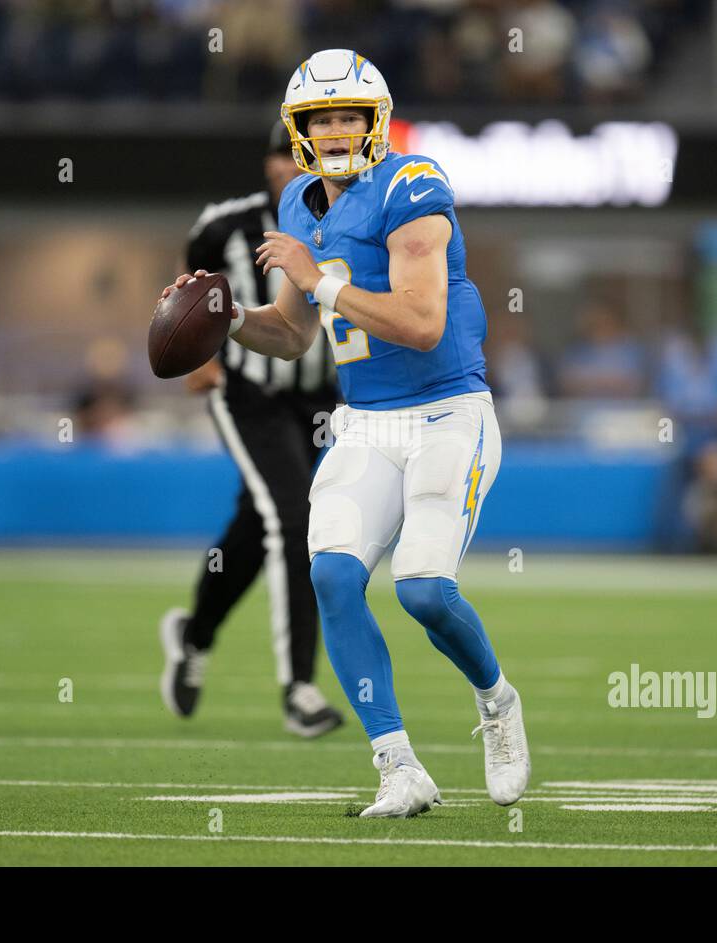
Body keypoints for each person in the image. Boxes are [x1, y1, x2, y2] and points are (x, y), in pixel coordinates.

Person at [159, 48, 530, 818]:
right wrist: (226, 319)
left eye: (346, 118)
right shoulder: (299, 203)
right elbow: (293, 336)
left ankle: (496, 702)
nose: (333, 132)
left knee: (424, 591)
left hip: (447, 413)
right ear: (299, 130)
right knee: (331, 575)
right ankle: (397, 765)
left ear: (375, 122)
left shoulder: (413, 184)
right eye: (319, 119)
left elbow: (424, 324)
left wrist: (321, 277)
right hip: (363, 421)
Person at [159, 120, 345, 739]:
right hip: (247, 391)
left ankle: (195, 632)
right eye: (287, 153)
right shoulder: (227, 225)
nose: (298, 163)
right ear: (270, 164)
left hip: (320, 397)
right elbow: (187, 284)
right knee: (294, 518)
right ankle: (300, 687)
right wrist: (201, 357)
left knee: (259, 520)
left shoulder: (349, 216)